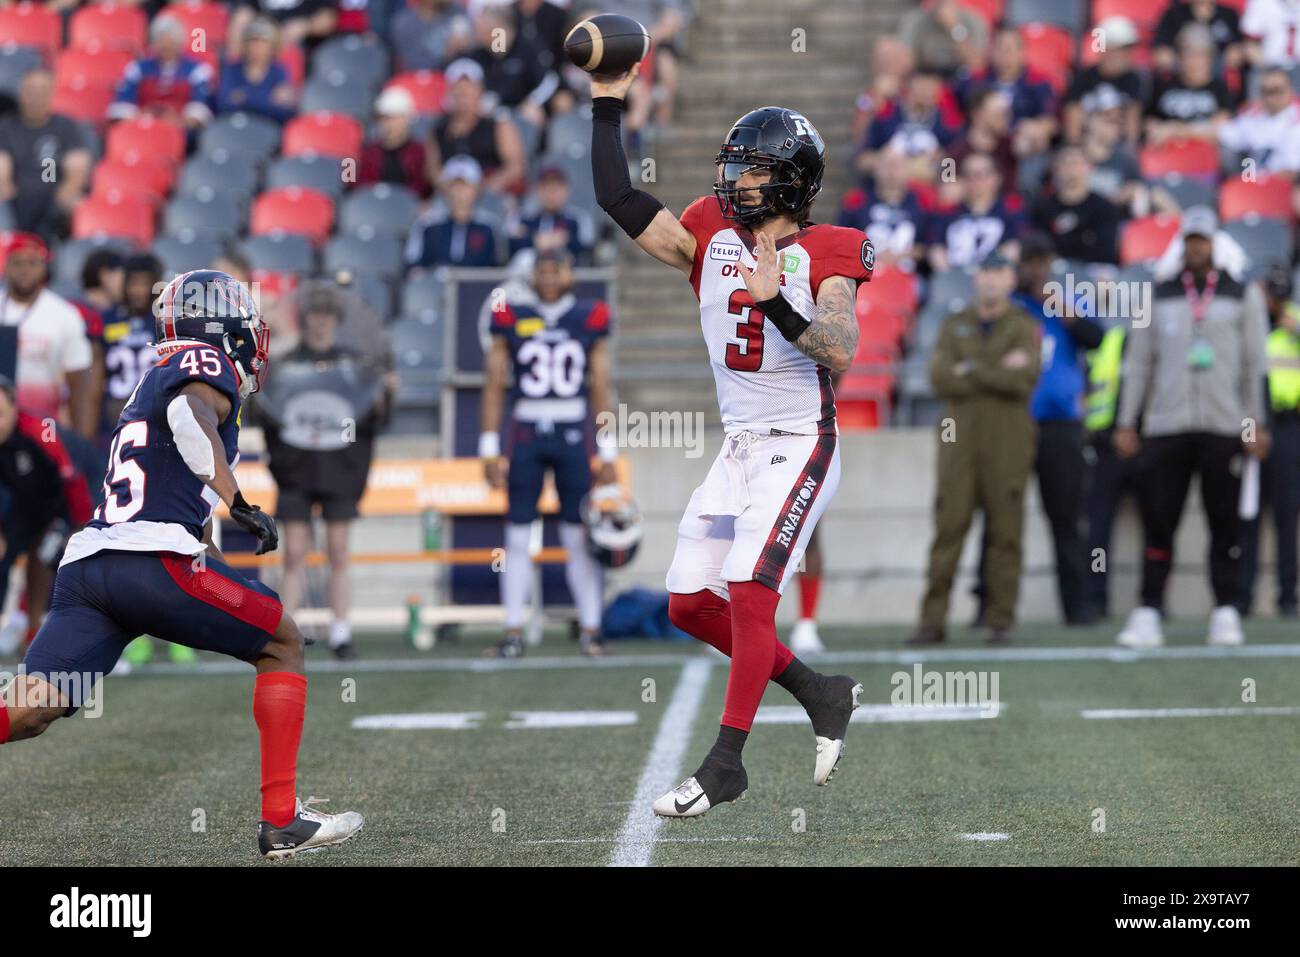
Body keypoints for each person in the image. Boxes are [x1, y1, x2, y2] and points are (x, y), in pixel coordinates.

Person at [0, 270, 364, 860]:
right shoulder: (202, 363)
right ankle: (281, 822)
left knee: (33, 706)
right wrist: (237, 498)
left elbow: (183, 517)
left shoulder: (152, 378)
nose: (252, 332)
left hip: (91, 570)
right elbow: (187, 420)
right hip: (152, 565)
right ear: (219, 325)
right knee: (283, 644)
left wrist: (233, 583)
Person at [590, 67, 870, 818]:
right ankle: (820, 692)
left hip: (802, 438)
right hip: (739, 445)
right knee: (687, 603)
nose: (737, 180)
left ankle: (726, 762)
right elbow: (619, 200)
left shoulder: (834, 249)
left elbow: (840, 349)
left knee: (748, 590)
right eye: (736, 165)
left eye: (754, 168)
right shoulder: (708, 234)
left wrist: (777, 302)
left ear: (791, 181)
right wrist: (607, 103)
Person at [1113, 207, 1270, 647]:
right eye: (1190, 240)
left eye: (1203, 240)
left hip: (1224, 423)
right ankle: (1148, 610)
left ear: (1214, 242)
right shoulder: (1155, 294)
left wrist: (1256, 421)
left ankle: (1225, 608)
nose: (1197, 247)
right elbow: (1138, 363)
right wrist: (1128, 420)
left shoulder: (1243, 294)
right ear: (1182, 244)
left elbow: (1254, 363)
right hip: (1167, 423)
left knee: (1225, 522)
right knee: (1159, 519)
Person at [479, 249, 615, 658]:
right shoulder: (511, 315)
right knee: (517, 536)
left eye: (558, 269)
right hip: (525, 431)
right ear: (532, 275)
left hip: (573, 430)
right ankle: (513, 631)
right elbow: (493, 382)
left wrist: (608, 448)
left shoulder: (589, 316)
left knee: (579, 536)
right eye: (544, 271)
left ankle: (591, 629)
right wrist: (489, 448)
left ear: (570, 273)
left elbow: (601, 384)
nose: (551, 277)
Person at [911, 253, 1040, 646]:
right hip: (958, 441)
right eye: (985, 272)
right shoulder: (955, 324)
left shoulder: (1024, 325)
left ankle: (1000, 621)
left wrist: (968, 369)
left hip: (1008, 440)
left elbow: (1024, 379)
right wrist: (995, 369)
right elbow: (937, 378)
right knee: (948, 530)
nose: (990, 280)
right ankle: (932, 621)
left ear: (1010, 280)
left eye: (999, 272)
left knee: (1006, 533)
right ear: (976, 278)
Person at [260, 288, 389, 662]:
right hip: (297, 468)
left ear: (336, 319)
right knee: (294, 553)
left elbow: (371, 416)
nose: (320, 320)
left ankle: (341, 634)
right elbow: (270, 414)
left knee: (338, 552)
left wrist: (385, 395)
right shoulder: (287, 365)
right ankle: (288, 634)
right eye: (314, 313)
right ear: (306, 318)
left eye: (326, 314)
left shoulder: (354, 367)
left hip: (339, 469)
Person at [1018, 232, 1104, 624]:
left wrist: (1065, 310)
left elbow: (1098, 339)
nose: (1037, 270)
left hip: (1062, 424)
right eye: (1030, 262)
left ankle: (1079, 605)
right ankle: (991, 606)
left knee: (1067, 518)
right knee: (1002, 517)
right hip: (1015, 423)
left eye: (1043, 262)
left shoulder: (1067, 303)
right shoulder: (1011, 306)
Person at [0, 376, 92, 658]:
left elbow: (73, 482)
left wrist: (80, 530)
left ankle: (89, 641)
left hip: (68, 506)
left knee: (69, 564)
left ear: (15, 409)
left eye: (0, 414)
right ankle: (28, 633)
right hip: (26, 508)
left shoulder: (40, 432)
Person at [1235, 265, 1300, 617]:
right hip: (1252, 422)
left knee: (1286, 516)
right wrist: (1248, 433)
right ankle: (1242, 596)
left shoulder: (1295, 324)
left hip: (1289, 424)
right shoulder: (1249, 325)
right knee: (1248, 514)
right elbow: (1240, 380)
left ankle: (1287, 597)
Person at [0, 68, 93, 243]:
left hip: (55, 197)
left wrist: (61, 197)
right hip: (18, 198)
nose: (36, 98)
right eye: (30, 91)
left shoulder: (67, 127)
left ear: (51, 94)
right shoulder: (6, 128)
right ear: (21, 93)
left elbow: (78, 172)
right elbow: (2, 170)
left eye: (42, 91)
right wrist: (5, 189)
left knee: (76, 204)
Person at [426, 58, 527, 193]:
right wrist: (454, 192)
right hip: (450, 197)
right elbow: (432, 169)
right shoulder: (438, 131)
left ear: (480, 91)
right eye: (458, 89)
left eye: (468, 89)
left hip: (491, 194)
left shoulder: (498, 126)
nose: (463, 93)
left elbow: (515, 166)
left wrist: (484, 189)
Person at [109, 15, 213, 130]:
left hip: (180, 129)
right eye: (162, 45)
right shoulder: (137, 68)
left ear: (180, 44)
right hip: (143, 125)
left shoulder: (197, 70)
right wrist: (140, 120)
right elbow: (124, 102)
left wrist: (180, 123)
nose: (166, 48)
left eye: (171, 45)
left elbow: (199, 107)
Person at [405, 155, 502, 269]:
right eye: (455, 186)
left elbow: (499, 267)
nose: (460, 192)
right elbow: (413, 265)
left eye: (465, 186)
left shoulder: (490, 227)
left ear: (477, 189)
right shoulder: (427, 225)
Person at [1031, 145, 1122, 265]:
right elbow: (1039, 247)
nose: (1071, 168)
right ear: (1056, 169)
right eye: (1065, 163)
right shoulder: (1043, 207)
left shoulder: (1104, 208)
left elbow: (1106, 249)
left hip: (1093, 271)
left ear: (1089, 168)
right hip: (1056, 270)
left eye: (1076, 163)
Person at [505, 164, 596, 264]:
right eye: (545, 187)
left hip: (568, 274)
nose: (551, 193)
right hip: (528, 276)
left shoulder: (579, 219)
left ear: (566, 190)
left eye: (556, 187)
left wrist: (563, 240)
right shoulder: (522, 218)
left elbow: (585, 249)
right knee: (525, 258)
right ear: (537, 190)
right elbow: (510, 247)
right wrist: (538, 240)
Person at [214, 17, 298, 124]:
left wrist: (244, 97)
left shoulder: (279, 72)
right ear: (245, 45)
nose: (257, 48)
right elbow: (222, 105)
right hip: (235, 125)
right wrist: (268, 99)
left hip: (267, 128)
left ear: (273, 47)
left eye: (264, 43)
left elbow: (284, 112)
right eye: (253, 42)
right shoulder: (231, 69)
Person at [357, 87, 431, 198]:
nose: (386, 124)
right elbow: (352, 182)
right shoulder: (367, 152)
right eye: (382, 119)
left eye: (392, 118)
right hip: (373, 209)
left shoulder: (420, 152)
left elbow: (424, 186)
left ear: (406, 119)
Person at [389, 0, 473, 72]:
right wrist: (446, 55)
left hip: (452, 80)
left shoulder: (458, 13)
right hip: (415, 83)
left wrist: (465, 50)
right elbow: (413, 64)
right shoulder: (403, 23)